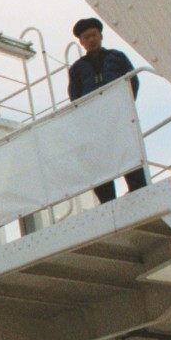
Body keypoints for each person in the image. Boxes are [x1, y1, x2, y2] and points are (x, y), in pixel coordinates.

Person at [68, 16, 149, 203]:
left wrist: (124, 105)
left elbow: (132, 81)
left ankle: (139, 191)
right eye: (86, 37)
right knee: (99, 160)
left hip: (119, 116)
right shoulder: (77, 69)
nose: (91, 39)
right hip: (94, 123)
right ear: (81, 42)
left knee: (128, 153)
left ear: (101, 36)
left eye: (94, 35)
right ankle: (107, 200)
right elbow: (75, 97)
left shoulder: (117, 57)